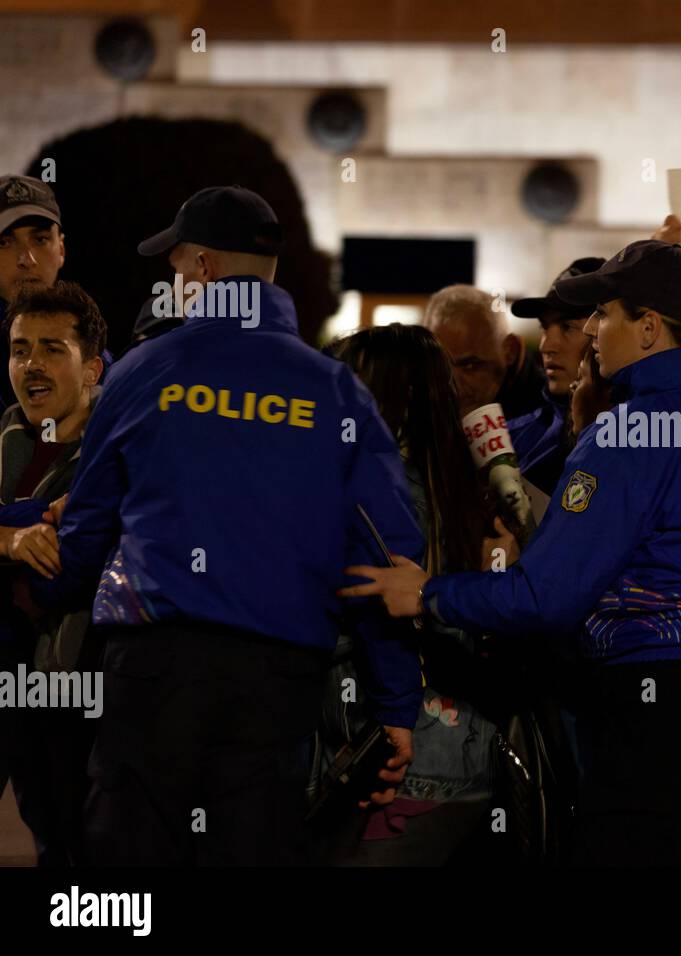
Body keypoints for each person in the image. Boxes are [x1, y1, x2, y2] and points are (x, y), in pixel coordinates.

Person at [343, 239, 681, 866]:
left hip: (660, 726)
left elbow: (544, 596)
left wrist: (425, 593)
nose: (592, 330)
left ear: (648, 328)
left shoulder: (626, 435)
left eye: (603, 314)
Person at [28, 185, 425, 865]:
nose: (173, 284)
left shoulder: (144, 370)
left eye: (177, 268)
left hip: (153, 674)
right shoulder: (335, 390)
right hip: (276, 685)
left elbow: (85, 534)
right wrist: (395, 705)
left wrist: (40, 588)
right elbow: (385, 558)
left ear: (205, 268)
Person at [317, 323, 504, 865]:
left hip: (392, 757)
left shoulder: (374, 496)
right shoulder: (467, 488)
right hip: (463, 753)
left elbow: (370, 616)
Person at [0, 280, 106, 866]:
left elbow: (71, 563)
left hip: (85, 686)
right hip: (13, 678)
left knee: (83, 843)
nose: (31, 364)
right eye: (20, 350)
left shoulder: (117, 450)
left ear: (91, 368)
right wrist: (12, 537)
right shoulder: (4, 435)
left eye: (51, 349)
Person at [508, 257, 605, 497]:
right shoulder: (511, 439)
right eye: (544, 327)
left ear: (602, 332)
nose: (546, 346)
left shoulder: (643, 436)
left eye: (567, 327)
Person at [424, 284, 547, 420]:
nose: (452, 385)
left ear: (510, 350)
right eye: (441, 366)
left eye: (470, 365)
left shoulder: (553, 415)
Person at [0, 176, 66, 410]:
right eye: (4, 243)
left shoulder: (87, 340)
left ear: (61, 250)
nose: (27, 259)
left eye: (40, 239)